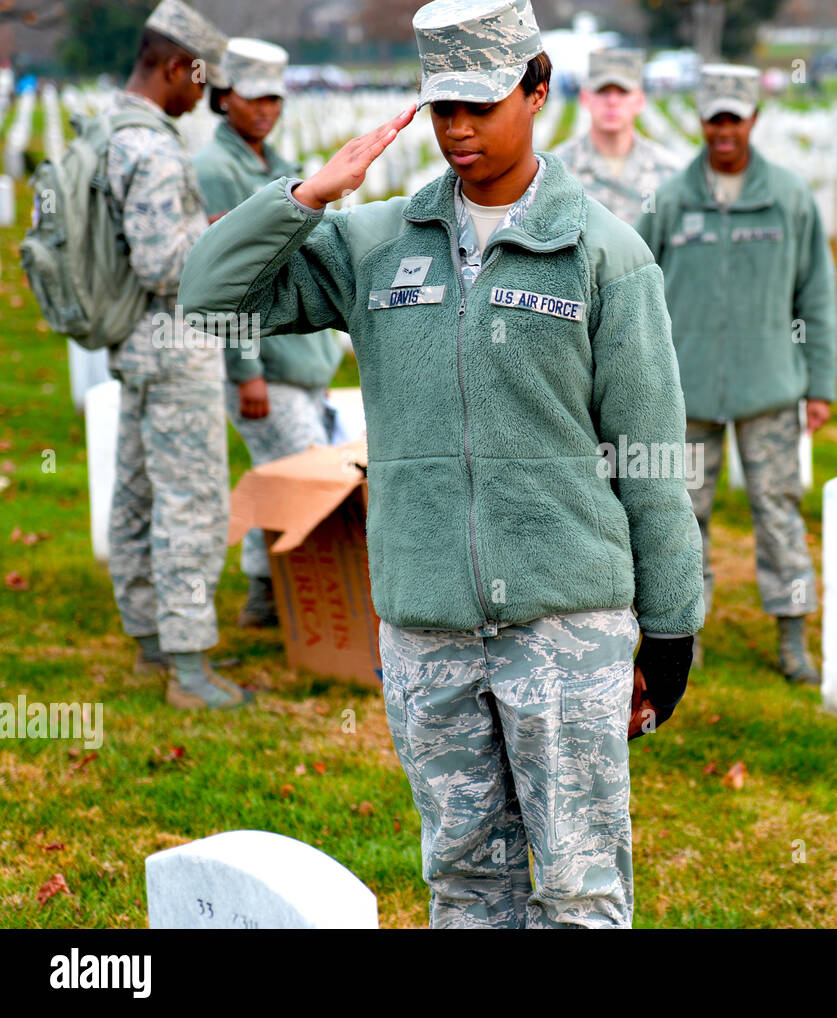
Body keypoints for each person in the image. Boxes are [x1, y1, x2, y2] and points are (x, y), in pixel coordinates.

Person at [178, 0, 703, 928]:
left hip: (565, 624)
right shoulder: (374, 244)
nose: (458, 128)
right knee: (464, 886)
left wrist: (668, 631)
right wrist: (309, 194)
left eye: (481, 103)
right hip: (425, 625)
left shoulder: (603, 256)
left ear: (537, 89)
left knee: (582, 891)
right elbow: (208, 294)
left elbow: (652, 459)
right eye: (441, 107)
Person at [636, 64, 837, 685]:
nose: (725, 130)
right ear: (701, 121)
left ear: (753, 120)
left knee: (777, 513)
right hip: (687, 395)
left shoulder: (788, 198)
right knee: (681, 518)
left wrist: (821, 384)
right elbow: (637, 293)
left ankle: (793, 637)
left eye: (736, 118)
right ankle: (680, 640)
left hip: (770, 390)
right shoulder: (671, 200)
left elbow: (818, 295)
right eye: (714, 118)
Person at [106, 0, 251, 711]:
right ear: (172, 68)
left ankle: (148, 642)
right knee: (191, 501)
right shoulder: (155, 146)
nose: (204, 97)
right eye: (199, 81)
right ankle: (189, 669)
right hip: (175, 343)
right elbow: (168, 264)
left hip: (131, 342)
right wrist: (223, 238)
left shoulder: (109, 127)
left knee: (135, 492)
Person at [195, 37, 343, 628]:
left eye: (274, 99)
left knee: (284, 479)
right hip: (266, 370)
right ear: (225, 96)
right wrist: (246, 369)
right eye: (253, 97)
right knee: (302, 481)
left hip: (301, 362)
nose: (265, 109)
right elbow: (229, 283)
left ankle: (268, 601)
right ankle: (284, 598)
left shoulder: (275, 165)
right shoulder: (216, 170)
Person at [552, 48, 682, 225]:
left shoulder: (669, 171)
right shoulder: (558, 172)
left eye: (623, 92)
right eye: (602, 91)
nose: (612, 101)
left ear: (640, 100)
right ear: (584, 98)